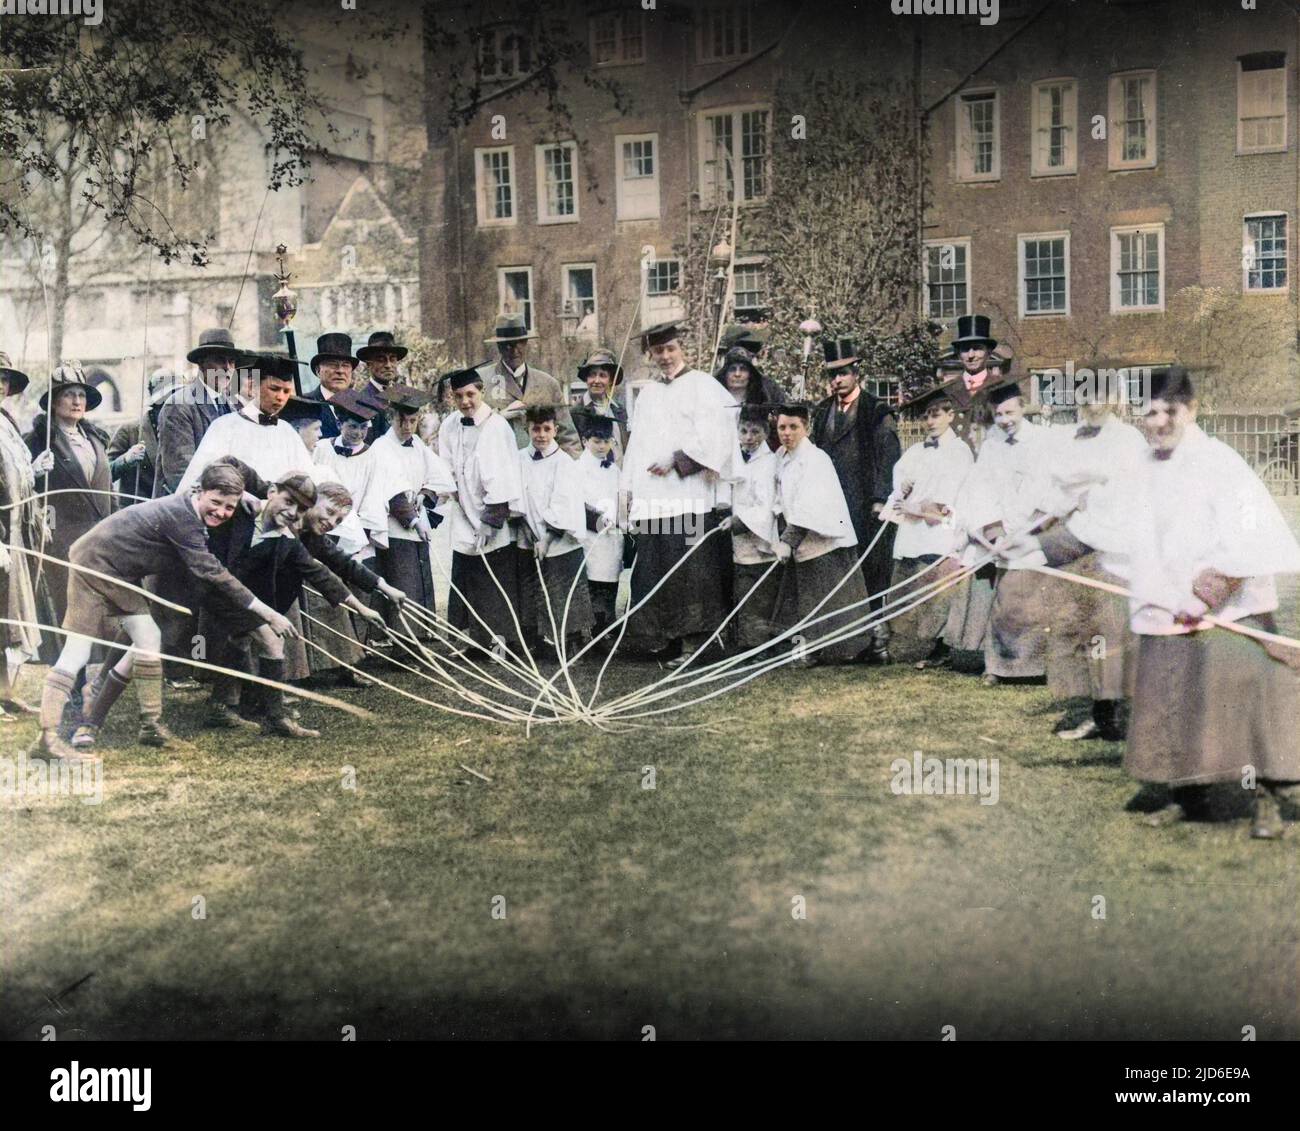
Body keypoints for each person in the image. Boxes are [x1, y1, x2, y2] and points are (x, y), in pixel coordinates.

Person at [1121, 367, 1300, 839]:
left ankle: (1268, 801)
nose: (1158, 422)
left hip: (1226, 611)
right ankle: (1186, 795)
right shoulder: (1142, 465)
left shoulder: (1218, 461)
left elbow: (1251, 533)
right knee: (1174, 702)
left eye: (1169, 411)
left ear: (1192, 410)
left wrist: (1207, 592)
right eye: (1150, 412)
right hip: (1166, 609)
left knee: (1248, 705)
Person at [35, 459, 297, 760]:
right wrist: (268, 613)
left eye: (229, 507)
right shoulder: (182, 518)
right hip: (92, 564)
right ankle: (47, 739)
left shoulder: (190, 506)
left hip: (121, 573)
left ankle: (150, 726)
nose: (222, 513)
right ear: (199, 491)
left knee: (148, 639)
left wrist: (251, 496)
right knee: (77, 652)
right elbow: (213, 573)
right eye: (216, 502)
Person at [998, 382, 1148, 740]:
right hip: (1082, 543)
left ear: (1113, 399)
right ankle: (1099, 712)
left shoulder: (1128, 440)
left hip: (1117, 550)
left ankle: (1119, 716)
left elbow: (1110, 493)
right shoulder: (1074, 439)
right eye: (1085, 395)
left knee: (1115, 633)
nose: (1091, 403)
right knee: (1082, 629)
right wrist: (1025, 532)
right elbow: (1057, 493)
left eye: (1098, 396)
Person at [199, 473, 386, 738]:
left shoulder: (286, 537)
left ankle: (226, 707)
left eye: (300, 509)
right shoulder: (241, 508)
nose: (291, 512)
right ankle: (272, 716)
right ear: (272, 491)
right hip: (209, 583)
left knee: (244, 638)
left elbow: (319, 574)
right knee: (268, 640)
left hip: (239, 595)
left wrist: (361, 607)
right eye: (288, 501)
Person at [619, 321, 736, 665]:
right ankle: (660, 639)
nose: (666, 357)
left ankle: (692, 642)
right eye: (659, 351)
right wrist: (627, 490)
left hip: (689, 494)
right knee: (656, 568)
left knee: (690, 570)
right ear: (651, 355)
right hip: (654, 499)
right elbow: (637, 446)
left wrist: (676, 459)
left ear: (681, 348)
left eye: (671, 349)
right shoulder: (648, 395)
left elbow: (718, 437)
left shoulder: (703, 386)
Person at [810, 337, 900, 663]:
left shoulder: (876, 411)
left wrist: (880, 498)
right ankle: (844, 642)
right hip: (833, 507)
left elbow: (888, 456)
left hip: (866, 506)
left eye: (844, 373)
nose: (838, 380)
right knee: (839, 572)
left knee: (872, 571)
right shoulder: (821, 413)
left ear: (856, 372)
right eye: (832, 375)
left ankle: (878, 644)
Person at [960, 382, 1054, 685]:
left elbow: (1045, 490)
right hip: (1003, 535)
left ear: (1023, 407)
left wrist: (1024, 528)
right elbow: (981, 489)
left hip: (1033, 531)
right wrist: (995, 528)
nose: (1005, 420)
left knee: (1035, 600)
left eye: (1010, 412)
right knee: (1004, 600)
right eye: (999, 414)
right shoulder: (991, 445)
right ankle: (1000, 666)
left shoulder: (1043, 442)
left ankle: (1037, 667)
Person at [770, 404, 874, 664]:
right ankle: (810, 650)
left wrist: (788, 540)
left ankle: (853, 648)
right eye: (782, 427)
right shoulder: (781, 457)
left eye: (794, 427)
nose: (787, 433)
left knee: (834, 598)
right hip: (801, 543)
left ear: (806, 427)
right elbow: (779, 499)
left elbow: (809, 504)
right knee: (807, 601)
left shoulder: (815, 459)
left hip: (825, 541)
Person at [882, 386, 974, 667]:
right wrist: (903, 489)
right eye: (926, 416)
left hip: (940, 531)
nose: (930, 422)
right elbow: (899, 484)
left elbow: (949, 499)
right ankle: (902, 640)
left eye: (936, 415)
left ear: (950, 416)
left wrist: (917, 508)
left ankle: (941, 647)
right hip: (913, 532)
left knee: (939, 589)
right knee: (909, 585)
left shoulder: (959, 452)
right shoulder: (915, 451)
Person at [439, 367, 525, 654]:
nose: (465, 402)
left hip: (491, 513)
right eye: (459, 396)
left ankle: (499, 638)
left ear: (482, 392)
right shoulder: (450, 425)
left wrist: (491, 521)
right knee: (465, 575)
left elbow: (502, 476)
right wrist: (449, 492)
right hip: (464, 509)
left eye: (471, 395)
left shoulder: (496, 426)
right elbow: (447, 466)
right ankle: (467, 638)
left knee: (494, 577)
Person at [24, 364, 116, 625]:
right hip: (61, 543)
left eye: (82, 395)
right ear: (54, 402)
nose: (77, 401)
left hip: (101, 539)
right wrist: (35, 471)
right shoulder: (37, 442)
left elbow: (108, 490)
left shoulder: (96, 439)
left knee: (106, 614)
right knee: (70, 612)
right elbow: (22, 489)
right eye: (68, 395)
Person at [371, 384, 454, 631]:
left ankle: (424, 633)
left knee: (420, 577)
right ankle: (404, 637)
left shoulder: (417, 443)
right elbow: (391, 491)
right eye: (402, 421)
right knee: (403, 579)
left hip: (416, 518)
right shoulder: (381, 448)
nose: (407, 427)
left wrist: (425, 494)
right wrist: (414, 521)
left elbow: (440, 476)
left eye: (413, 420)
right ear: (390, 417)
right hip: (395, 526)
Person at [514, 404, 593, 655]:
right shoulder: (518, 459)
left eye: (546, 429)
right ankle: (537, 639)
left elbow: (563, 502)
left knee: (563, 589)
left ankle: (572, 639)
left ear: (555, 429)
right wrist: (524, 527)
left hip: (559, 539)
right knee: (533, 588)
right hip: (528, 535)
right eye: (535, 429)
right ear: (527, 429)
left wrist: (547, 537)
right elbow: (516, 496)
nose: (541, 435)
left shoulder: (564, 463)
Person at [0, 352, 53, 721]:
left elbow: (14, 479)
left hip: (16, 532)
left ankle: (5, 692)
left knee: (7, 616)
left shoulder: (6, 422)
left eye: (4, 378)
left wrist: (35, 470)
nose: (0, 384)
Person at [176, 354, 314, 493]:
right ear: (253, 386)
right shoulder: (224, 427)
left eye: (286, 391)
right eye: (274, 389)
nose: (280, 397)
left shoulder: (287, 432)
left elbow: (308, 479)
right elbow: (196, 481)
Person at [154, 328, 245, 497]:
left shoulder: (232, 405)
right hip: (190, 507)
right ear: (201, 363)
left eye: (231, 362)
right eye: (219, 360)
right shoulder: (179, 406)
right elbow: (180, 473)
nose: (227, 368)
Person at [475, 313, 580, 456]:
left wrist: (573, 470)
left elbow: (568, 436)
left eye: (519, 343)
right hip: (499, 466)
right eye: (507, 345)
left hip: (541, 469)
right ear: (498, 346)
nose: (514, 350)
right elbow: (470, 429)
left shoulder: (548, 384)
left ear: (526, 344)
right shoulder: (481, 380)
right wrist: (500, 416)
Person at [727, 405, 781, 652]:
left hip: (759, 539)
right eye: (744, 431)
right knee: (742, 591)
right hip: (740, 542)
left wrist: (739, 521)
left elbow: (766, 503)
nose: (749, 438)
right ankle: (746, 642)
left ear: (766, 432)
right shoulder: (736, 459)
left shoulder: (769, 463)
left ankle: (759, 645)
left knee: (759, 595)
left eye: (755, 432)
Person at [575, 415, 624, 637]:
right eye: (597, 441)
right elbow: (576, 502)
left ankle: (608, 625)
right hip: (591, 534)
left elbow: (621, 497)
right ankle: (595, 628)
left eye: (607, 441)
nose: (602, 446)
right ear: (585, 441)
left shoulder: (614, 469)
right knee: (593, 581)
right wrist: (598, 520)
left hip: (612, 535)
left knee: (611, 580)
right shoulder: (578, 468)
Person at [107, 369, 177, 504]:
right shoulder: (129, 431)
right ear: (156, 404)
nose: (171, 407)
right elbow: (105, 474)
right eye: (165, 401)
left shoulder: (181, 431)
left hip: (169, 511)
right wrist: (126, 460)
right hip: (136, 513)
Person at [569, 347, 629, 458]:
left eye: (602, 375)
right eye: (592, 375)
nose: (596, 381)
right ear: (586, 378)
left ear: (611, 380)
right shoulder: (575, 413)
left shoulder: (619, 410)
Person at [303, 332, 359, 441]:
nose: (340, 371)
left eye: (345, 365)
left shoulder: (364, 405)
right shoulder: (303, 405)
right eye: (333, 364)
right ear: (318, 371)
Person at [355, 330, 408, 441]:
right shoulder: (361, 401)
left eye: (392, 359)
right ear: (369, 364)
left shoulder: (404, 396)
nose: (388, 365)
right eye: (381, 360)